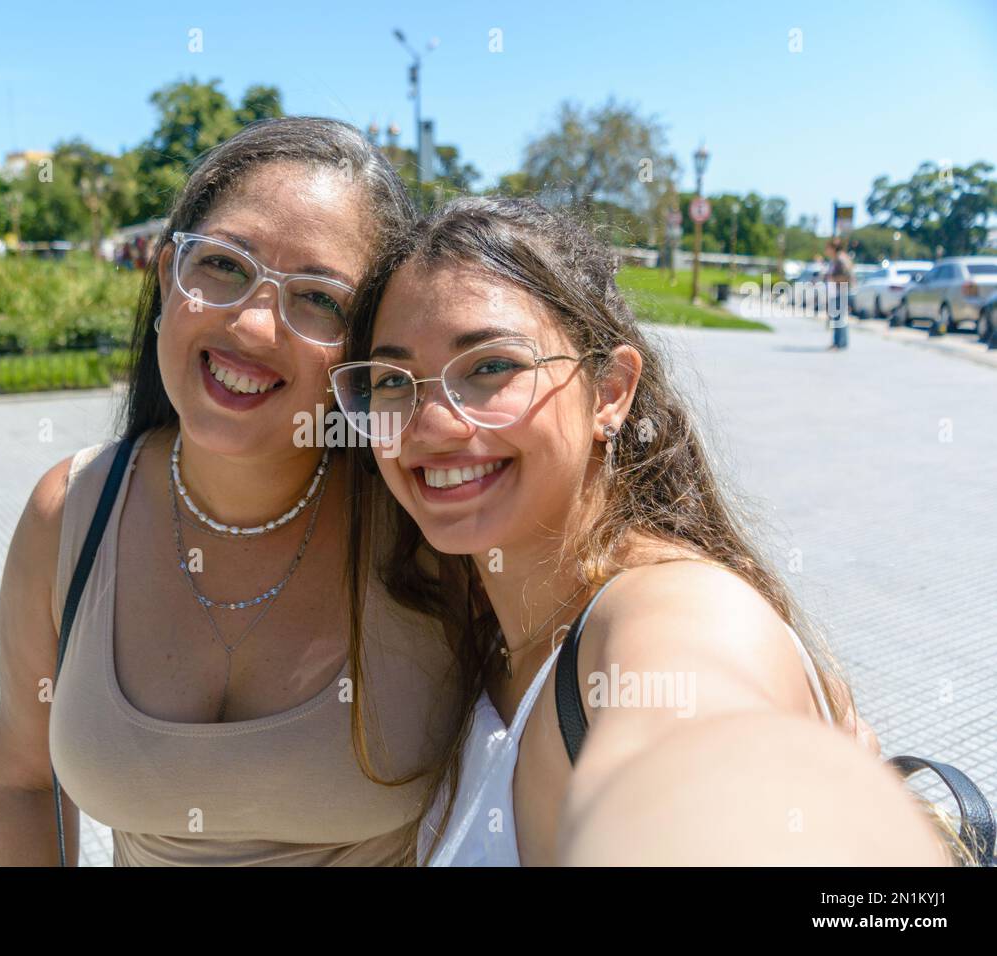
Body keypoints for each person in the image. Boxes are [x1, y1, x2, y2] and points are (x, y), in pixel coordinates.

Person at [331, 196, 957, 866]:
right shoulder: (475, 615)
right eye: (394, 381)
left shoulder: (675, 614)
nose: (432, 426)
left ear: (610, 392)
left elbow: (702, 757)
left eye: (490, 367)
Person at [0, 117, 465, 866]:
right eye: (223, 264)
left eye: (318, 300)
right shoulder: (69, 515)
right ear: (164, 277)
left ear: (367, 352)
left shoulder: (429, 528)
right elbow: (24, 777)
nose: (251, 324)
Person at [825, 237, 855, 349]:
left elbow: (847, 277)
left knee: (839, 318)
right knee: (837, 317)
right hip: (837, 291)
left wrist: (832, 278)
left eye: (828, 248)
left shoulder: (841, 259)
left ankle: (840, 343)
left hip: (841, 291)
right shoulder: (836, 259)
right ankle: (837, 342)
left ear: (833, 248)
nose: (826, 250)